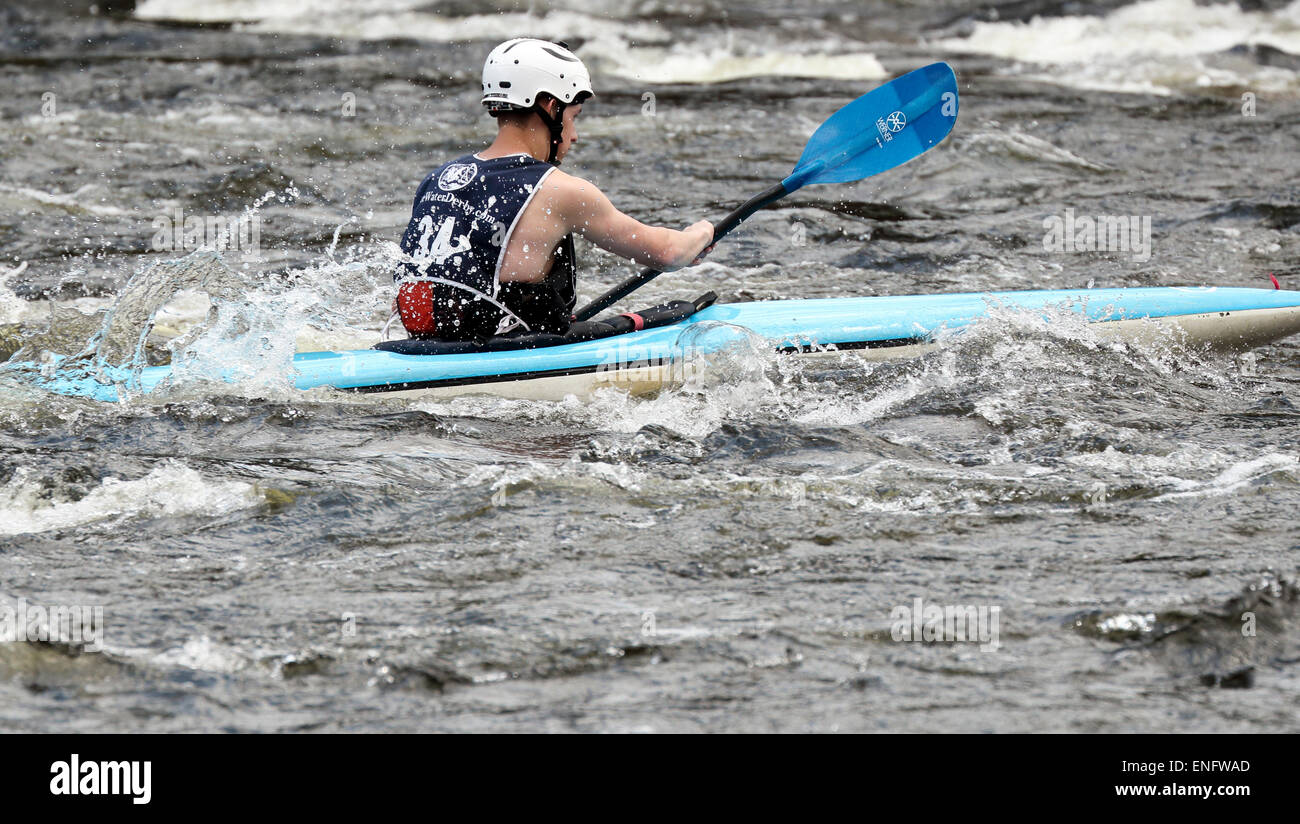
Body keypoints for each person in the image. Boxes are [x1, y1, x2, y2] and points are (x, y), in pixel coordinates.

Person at [393, 37, 713, 341]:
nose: (574, 136)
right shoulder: (559, 190)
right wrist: (701, 233)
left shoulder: (440, 177)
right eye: (573, 117)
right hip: (508, 350)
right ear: (549, 106)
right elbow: (668, 254)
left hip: (422, 344)